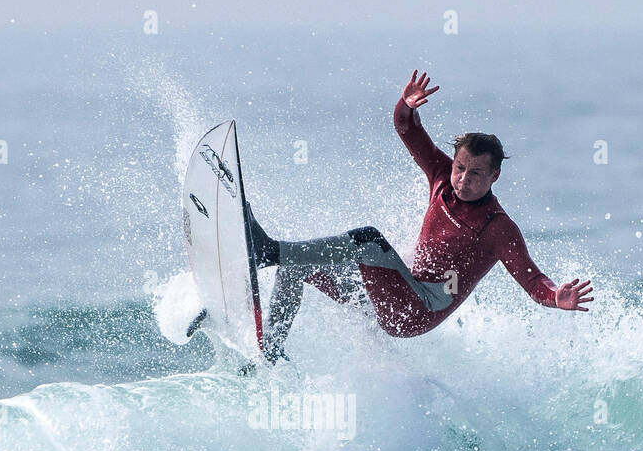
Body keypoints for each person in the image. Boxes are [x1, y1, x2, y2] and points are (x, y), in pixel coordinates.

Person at [247, 70, 593, 361]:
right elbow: (407, 129)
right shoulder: (442, 177)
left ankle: (267, 251)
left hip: (416, 311)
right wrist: (406, 106)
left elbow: (534, 281)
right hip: (390, 292)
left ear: (494, 177)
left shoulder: (497, 227)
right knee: (300, 264)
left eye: (475, 174)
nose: (463, 179)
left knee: (368, 240)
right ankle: (269, 354)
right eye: (460, 168)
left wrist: (555, 297)